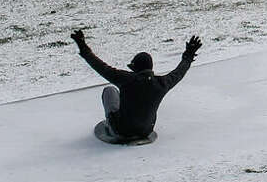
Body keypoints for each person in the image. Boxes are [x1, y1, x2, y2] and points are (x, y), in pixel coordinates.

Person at [72, 28, 200, 142]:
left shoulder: (126, 79)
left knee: (110, 90)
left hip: (121, 131)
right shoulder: (162, 83)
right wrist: (189, 55)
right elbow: (179, 72)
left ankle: (110, 123)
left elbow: (100, 66)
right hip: (145, 131)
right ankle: (140, 125)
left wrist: (83, 46)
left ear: (135, 68)